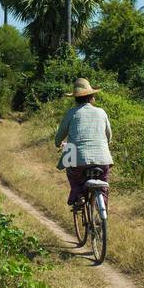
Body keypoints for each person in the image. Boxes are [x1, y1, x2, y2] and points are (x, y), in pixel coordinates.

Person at [54, 78, 113, 208]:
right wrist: (105, 144)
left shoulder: (71, 113)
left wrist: (58, 143)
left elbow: (59, 136)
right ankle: (102, 206)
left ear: (75, 99)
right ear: (91, 97)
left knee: (72, 172)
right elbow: (109, 136)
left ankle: (78, 193)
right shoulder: (101, 112)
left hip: (77, 160)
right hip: (103, 159)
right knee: (103, 181)